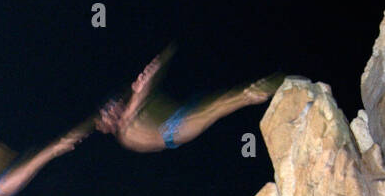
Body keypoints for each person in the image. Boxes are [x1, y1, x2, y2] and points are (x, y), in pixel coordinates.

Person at [94, 44, 284, 152]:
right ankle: (266, 89)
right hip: (173, 132)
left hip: (179, 114)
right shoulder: (126, 131)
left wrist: (150, 74)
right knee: (221, 106)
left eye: (114, 107)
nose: (116, 111)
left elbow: (145, 93)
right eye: (111, 112)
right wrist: (143, 86)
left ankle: (272, 84)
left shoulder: (132, 113)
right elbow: (138, 101)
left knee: (222, 99)